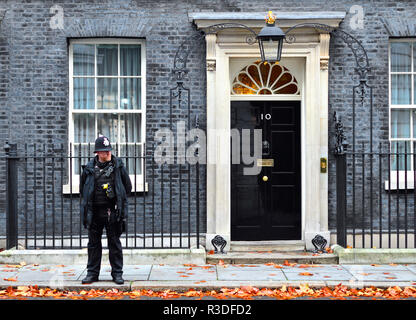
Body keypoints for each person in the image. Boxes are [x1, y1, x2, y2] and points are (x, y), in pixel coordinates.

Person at [80, 135, 132, 285]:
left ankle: (117, 274)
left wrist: (116, 195)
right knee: (93, 244)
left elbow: (128, 187)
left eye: (108, 150)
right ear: (97, 153)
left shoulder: (118, 166)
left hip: (113, 211)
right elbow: (83, 190)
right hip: (94, 212)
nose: (108, 153)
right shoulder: (89, 169)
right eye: (104, 151)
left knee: (114, 243)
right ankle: (92, 274)